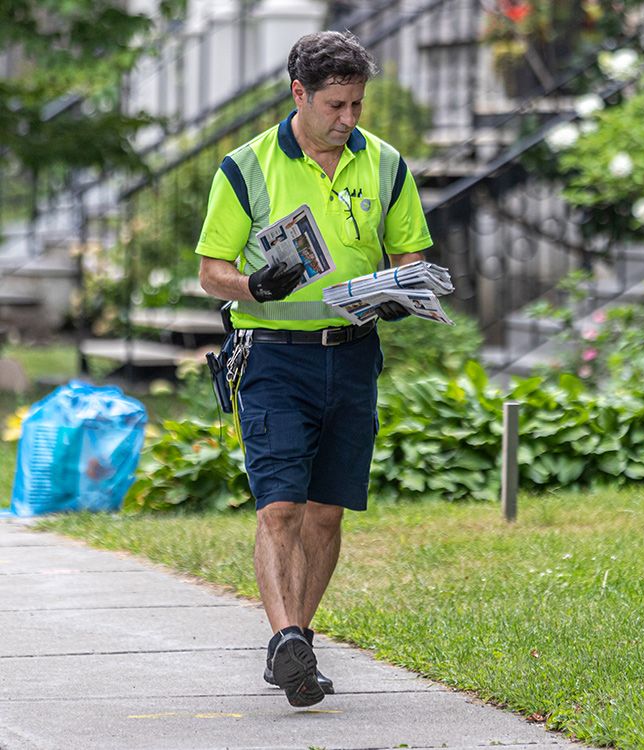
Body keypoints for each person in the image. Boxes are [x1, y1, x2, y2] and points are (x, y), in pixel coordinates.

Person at [195, 30, 432, 707]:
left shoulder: (385, 164)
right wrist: (254, 287)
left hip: (353, 356)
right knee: (280, 508)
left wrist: (398, 292)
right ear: (298, 93)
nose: (348, 119)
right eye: (335, 105)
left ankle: (296, 643)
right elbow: (213, 272)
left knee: (326, 513)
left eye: (357, 104)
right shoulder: (246, 168)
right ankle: (285, 639)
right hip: (271, 359)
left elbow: (411, 253)